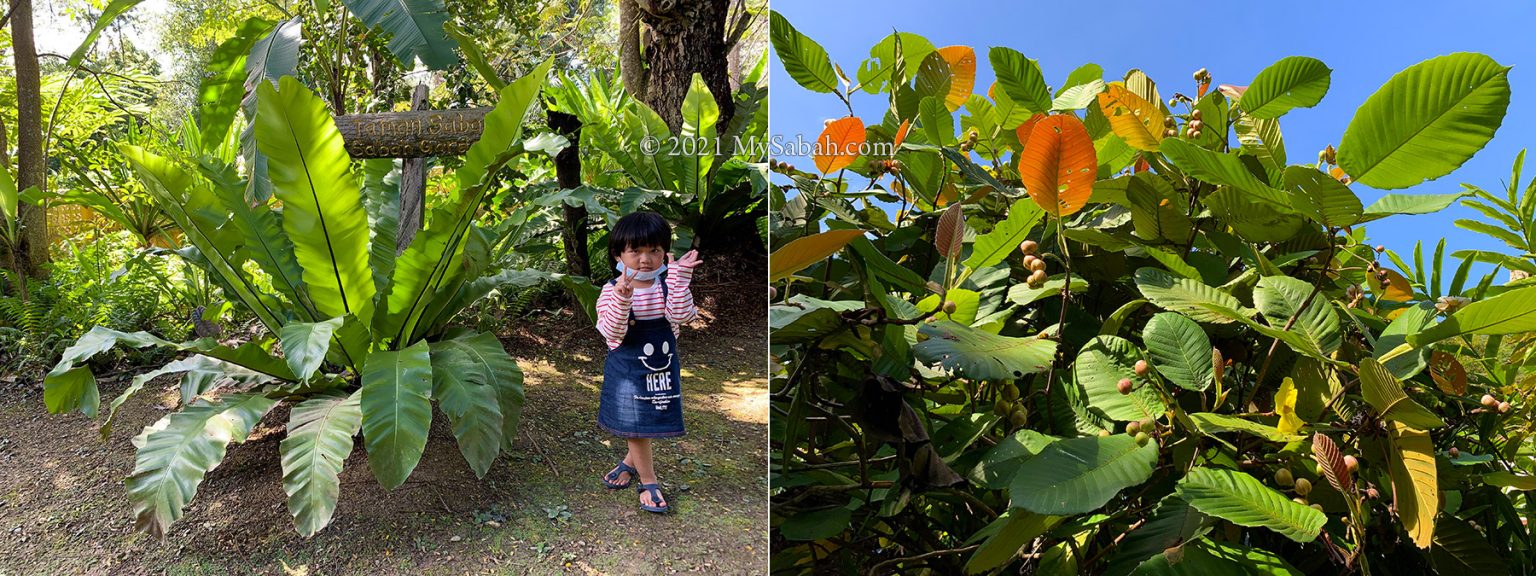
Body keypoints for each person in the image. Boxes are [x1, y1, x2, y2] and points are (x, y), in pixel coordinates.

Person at [594, 212, 700, 514]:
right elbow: (612, 332)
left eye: (654, 250)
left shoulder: (666, 286)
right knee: (636, 427)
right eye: (636, 251)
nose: (645, 259)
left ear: (665, 253)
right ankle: (649, 481)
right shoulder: (609, 291)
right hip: (626, 370)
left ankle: (627, 464)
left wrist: (681, 279)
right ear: (619, 254)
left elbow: (682, 317)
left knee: (648, 421)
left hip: (661, 367)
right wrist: (623, 299)